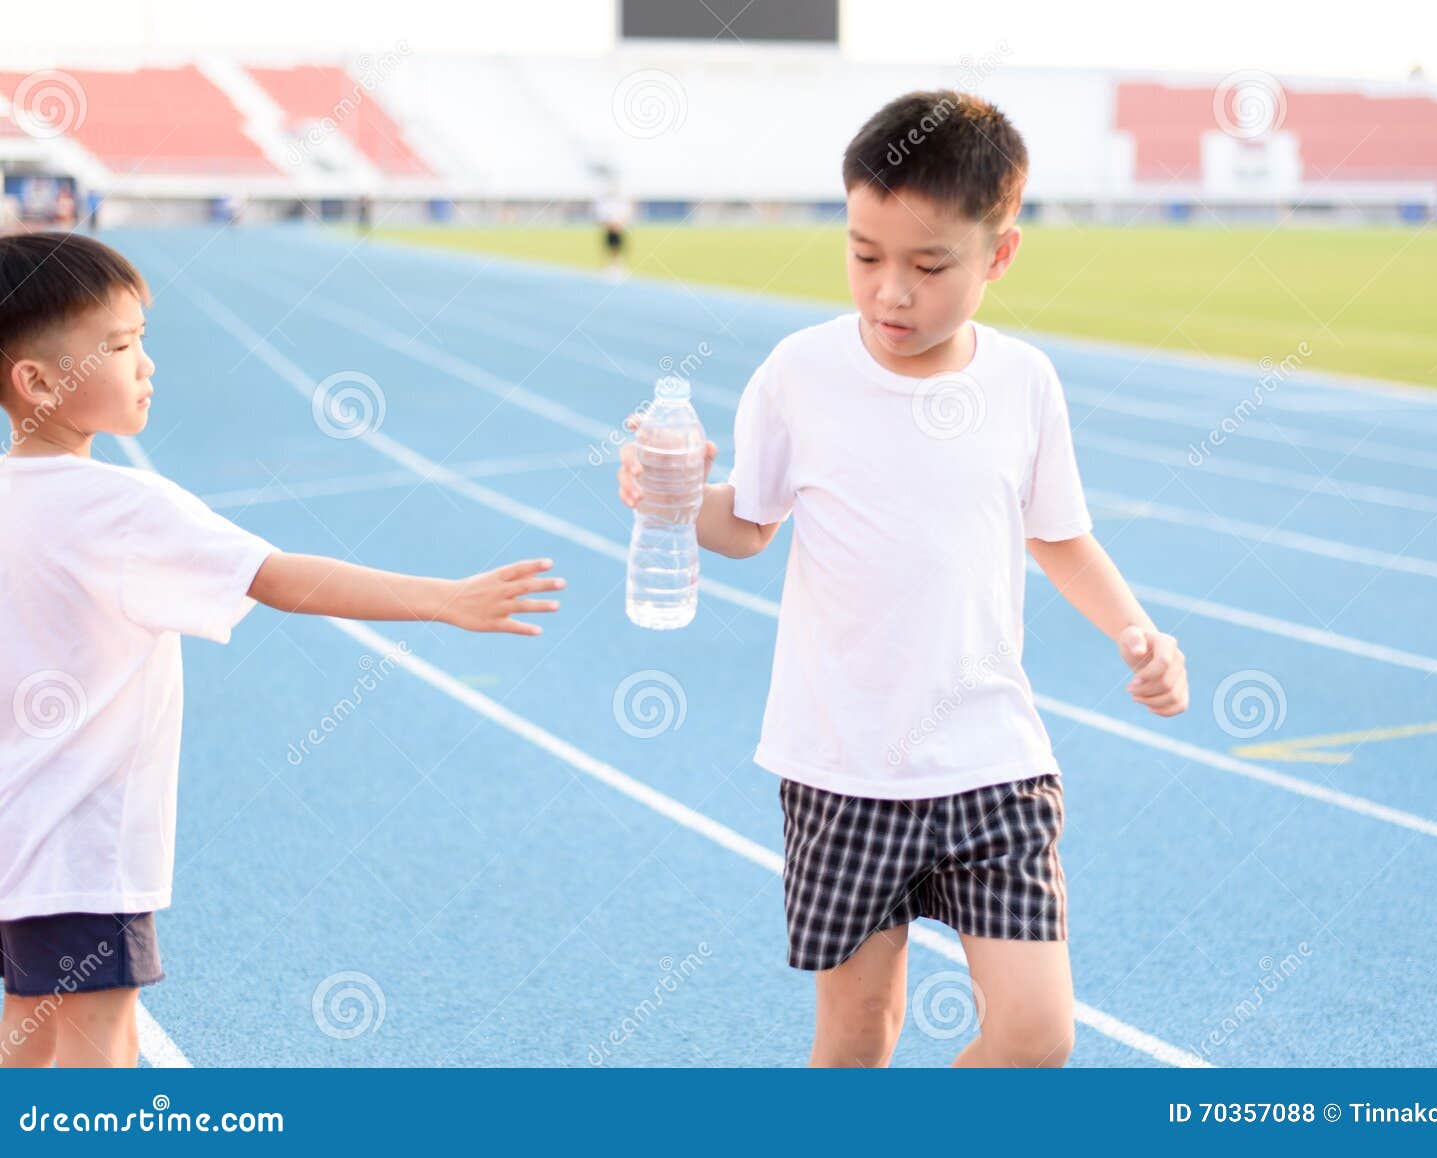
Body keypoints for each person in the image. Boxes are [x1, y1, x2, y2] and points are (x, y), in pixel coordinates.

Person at [617, 91, 1189, 1068]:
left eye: (928, 267)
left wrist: (1141, 633)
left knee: (1036, 1035)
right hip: (846, 768)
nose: (890, 293)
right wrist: (669, 499)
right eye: (863, 255)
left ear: (998, 255)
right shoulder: (800, 372)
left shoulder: (1024, 383)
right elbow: (747, 524)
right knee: (858, 1033)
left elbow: (1060, 537)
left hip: (992, 763)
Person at [0, 232, 566, 1067]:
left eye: (142, 339)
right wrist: (443, 600)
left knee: (28, 1034)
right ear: (39, 381)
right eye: (118, 347)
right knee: (102, 1049)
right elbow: (274, 576)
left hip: (18, 838)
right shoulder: (120, 506)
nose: (146, 364)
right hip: (84, 846)